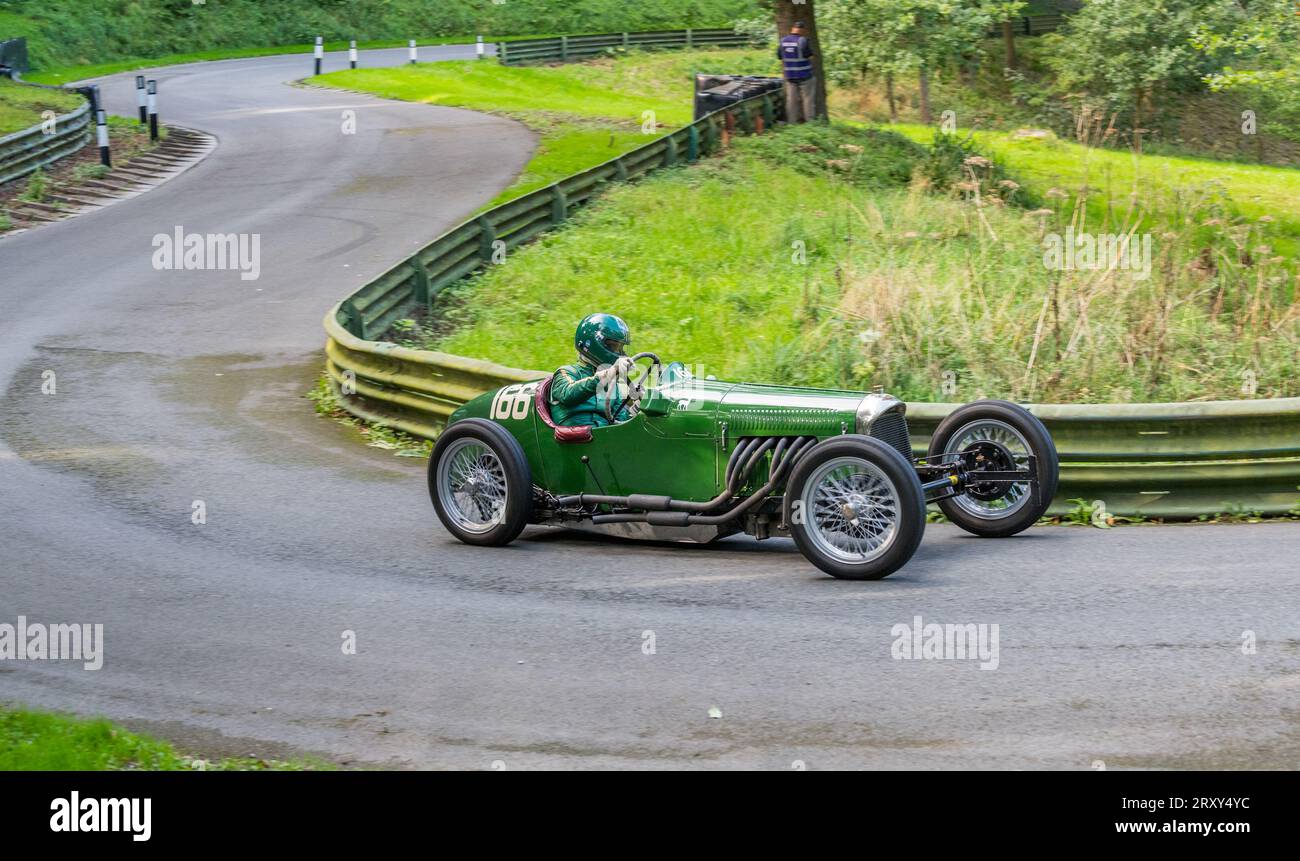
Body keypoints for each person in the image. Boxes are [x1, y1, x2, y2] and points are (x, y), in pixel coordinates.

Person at [550, 313, 638, 427]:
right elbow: (568, 395)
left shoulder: (612, 383)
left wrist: (635, 410)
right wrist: (606, 375)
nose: (621, 354)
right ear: (595, 344)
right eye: (615, 347)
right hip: (576, 439)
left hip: (604, 438)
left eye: (621, 348)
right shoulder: (566, 372)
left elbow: (618, 420)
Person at [777, 20, 818, 124]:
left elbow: (779, 56)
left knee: (791, 101)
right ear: (802, 30)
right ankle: (810, 123)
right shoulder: (803, 41)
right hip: (805, 76)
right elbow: (810, 56)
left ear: (793, 29)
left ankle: (791, 123)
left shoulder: (783, 41)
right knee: (808, 100)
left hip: (790, 76)